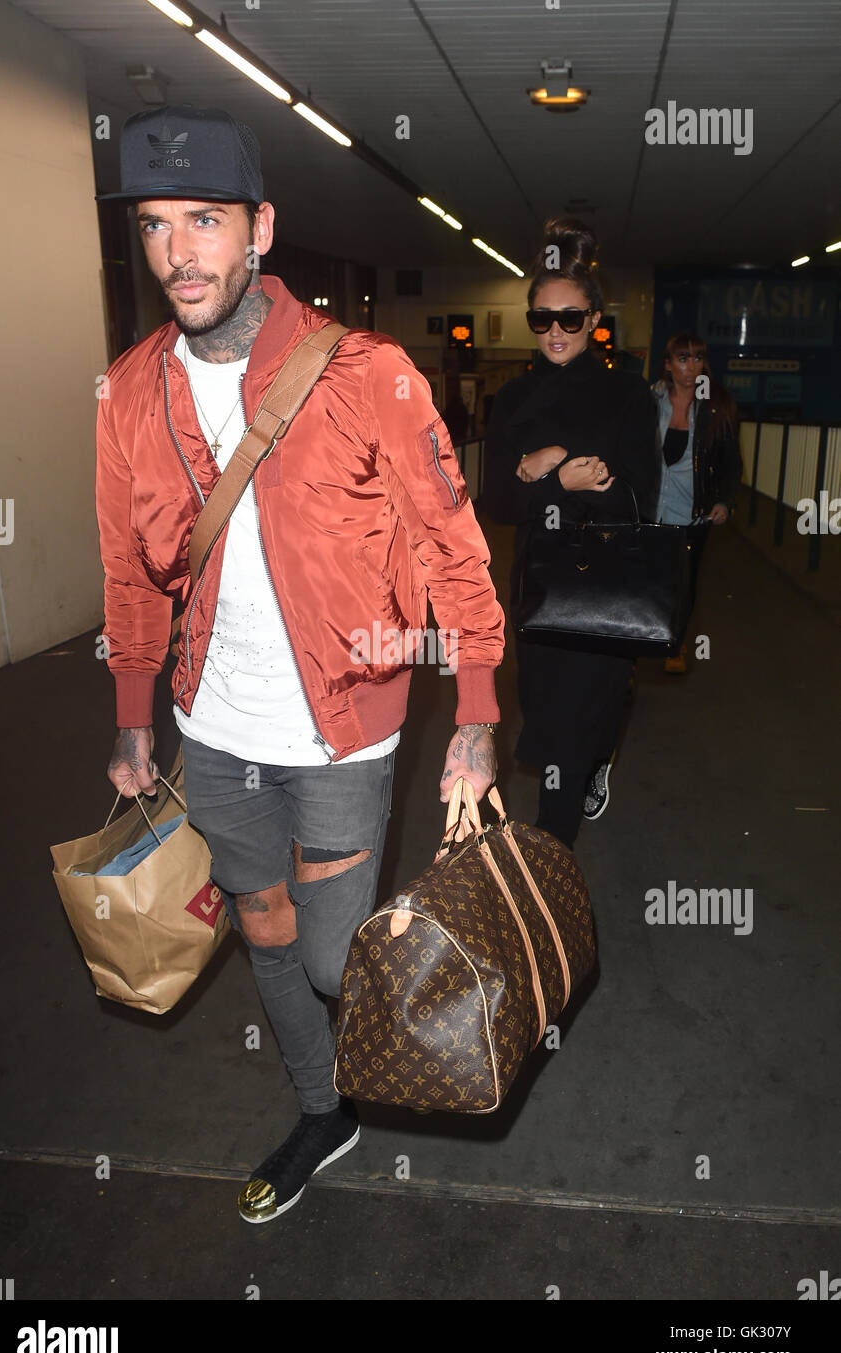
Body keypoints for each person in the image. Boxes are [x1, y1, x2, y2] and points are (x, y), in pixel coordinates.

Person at [94, 105, 505, 1225]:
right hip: (213, 730)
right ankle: (324, 1107)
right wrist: (134, 715)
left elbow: (452, 548)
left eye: (206, 220)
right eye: (155, 225)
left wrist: (472, 709)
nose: (180, 252)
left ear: (259, 228)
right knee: (263, 930)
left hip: (346, 727)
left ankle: (367, 1048)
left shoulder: (366, 373)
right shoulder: (130, 391)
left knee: (330, 961)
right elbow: (127, 573)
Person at [482, 218, 660, 848]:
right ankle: (582, 769)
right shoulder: (511, 399)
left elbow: (641, 496)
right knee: (544, 710)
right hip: (539, 584)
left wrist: (558, 464)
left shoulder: (629, 397)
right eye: (541, 319)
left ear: (594, 319)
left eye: (570, 318)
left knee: (577, 722)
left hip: (605, 582)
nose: (555, 332)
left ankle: (550, 854)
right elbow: (498, 500)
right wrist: (561, 480)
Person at [651, 332, 743, 672]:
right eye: (683, 358)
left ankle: (676, 644)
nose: (692, 367)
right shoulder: (652, 400)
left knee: (683, 583)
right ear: (668, 365)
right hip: (651, 509)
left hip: (693, 512)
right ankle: (631, 652)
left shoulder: (717, 406)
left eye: (698, 358)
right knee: (644, 580)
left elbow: (732, 461)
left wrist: (724, 500)